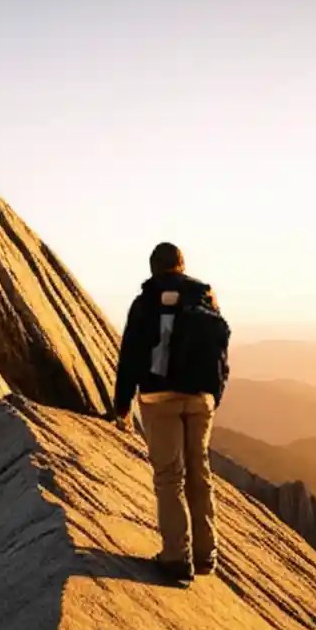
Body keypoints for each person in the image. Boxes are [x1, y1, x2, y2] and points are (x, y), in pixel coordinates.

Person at [109, 242, 230, 582]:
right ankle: (207, 555)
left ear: (153, 269)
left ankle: (177, 557)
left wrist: (122, 405)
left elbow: (130, 354)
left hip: (159, 397)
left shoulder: (145, 302)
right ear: (182, 264)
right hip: (201, 397)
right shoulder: (205, 297)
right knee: (199, 471)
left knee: (169, 476)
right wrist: (215, 392)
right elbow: (222, 350)